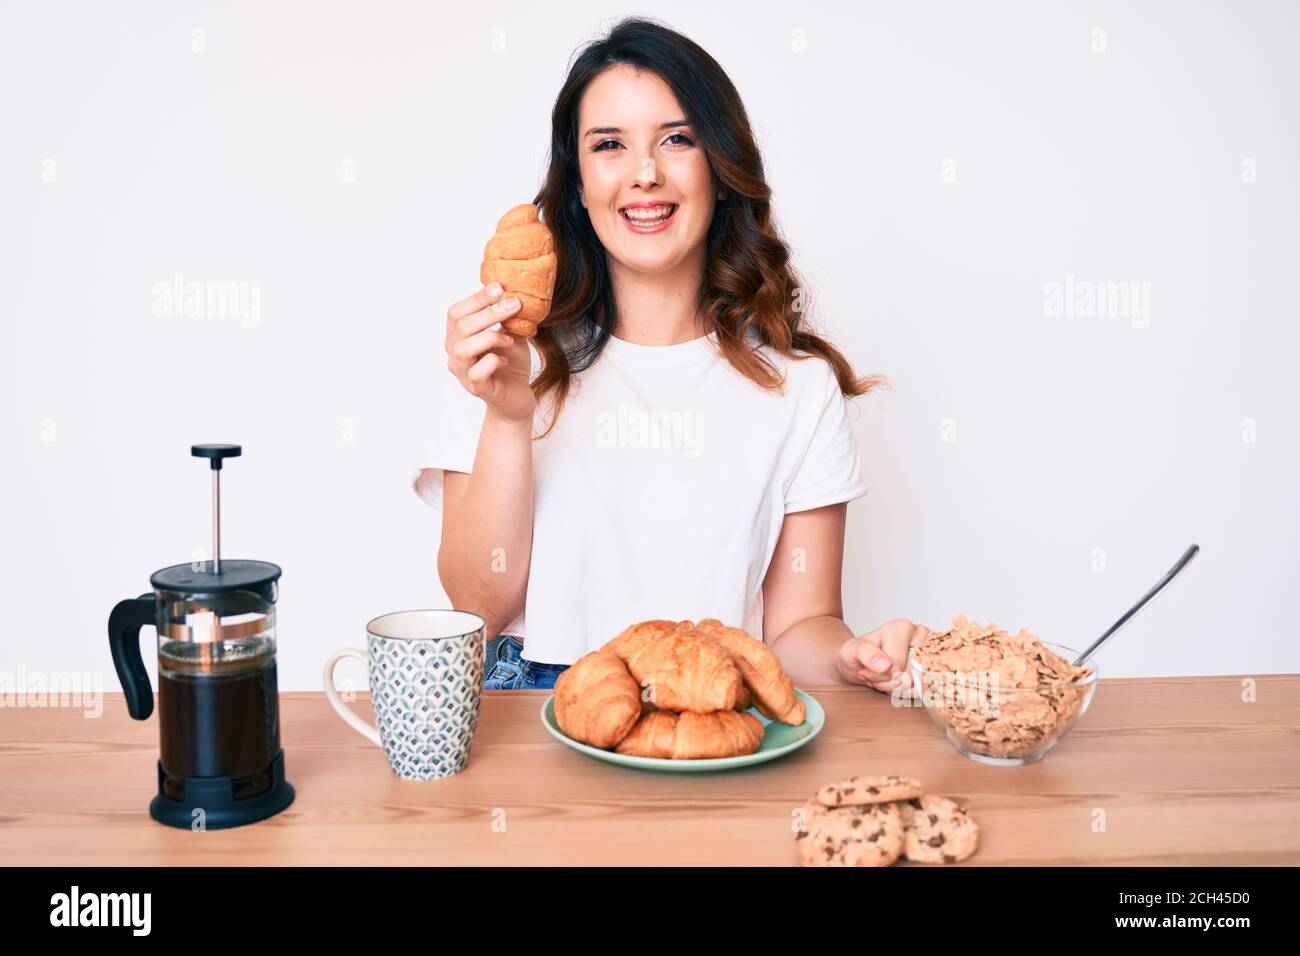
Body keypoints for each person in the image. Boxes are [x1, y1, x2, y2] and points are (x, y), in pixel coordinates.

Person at [413, 17, 928, 691]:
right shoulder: (500, 359)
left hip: (713, 703)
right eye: (609, 146)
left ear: (719, 167)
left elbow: (800, 626)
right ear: (577, 184)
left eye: (677, 139)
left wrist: (849, 658)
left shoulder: (799, 389)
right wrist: (510, 417)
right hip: (530, 715)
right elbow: (478, 609)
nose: (646, 174)